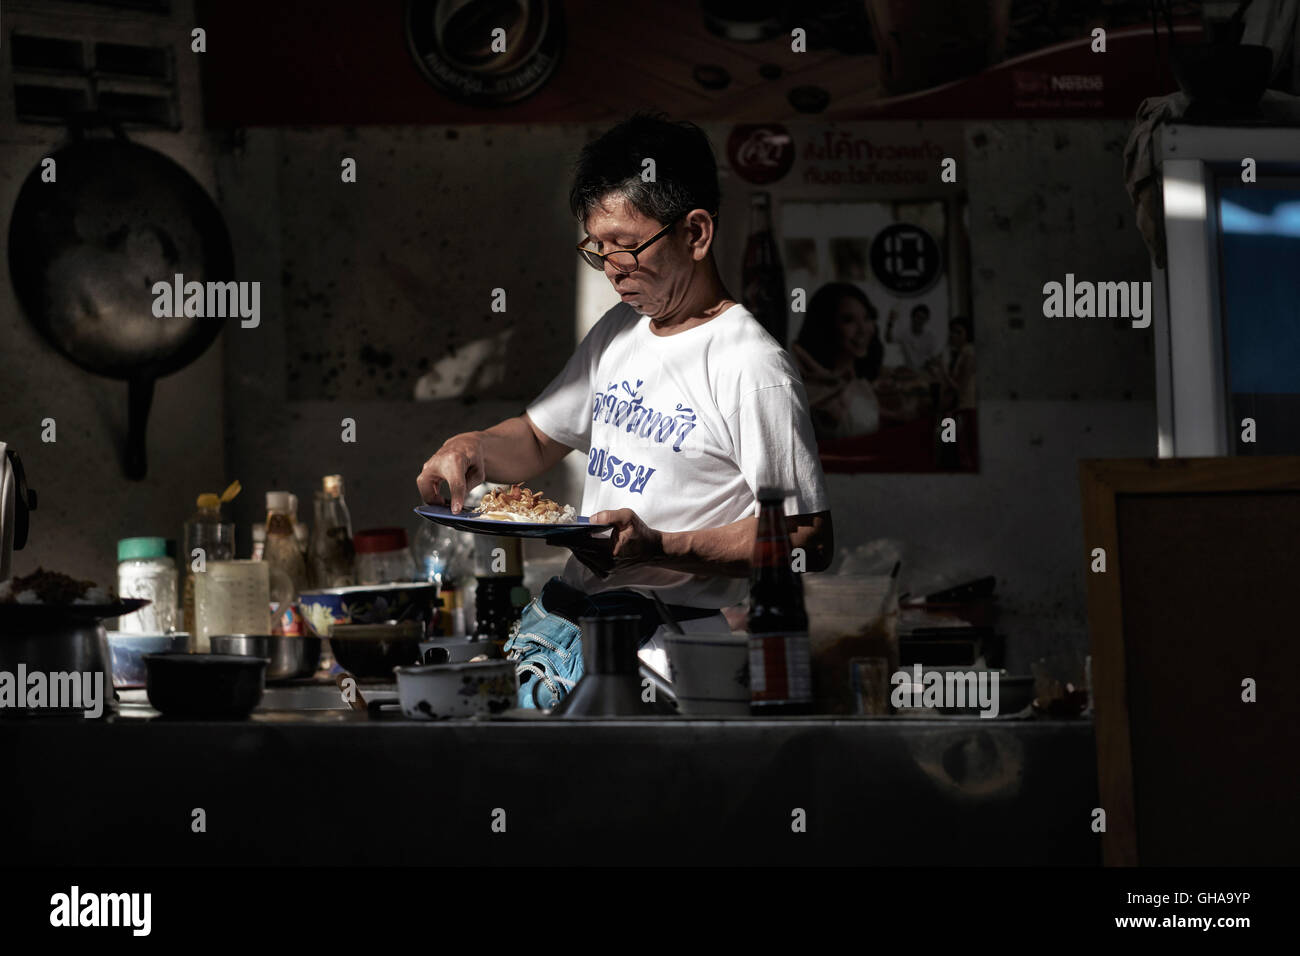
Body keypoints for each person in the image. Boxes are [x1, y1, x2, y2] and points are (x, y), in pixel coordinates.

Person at [416, 114, 833, 709]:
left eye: (628, 246)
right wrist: (471, 447)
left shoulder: (751, 366)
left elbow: (808, 539)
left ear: (695, 233)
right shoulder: (619, 331)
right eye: (596, 249)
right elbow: (537, 439)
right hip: (575, 623)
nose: (613, 269)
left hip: (668, 649)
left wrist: (660, 546)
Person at [791, 283, 885, 439]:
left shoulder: (858, 380)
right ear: (826, 326)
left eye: (867, 318)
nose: (863, 330)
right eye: (849, 320)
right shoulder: (820, 394)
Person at [932, 315, 976, 411]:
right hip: (956, 406)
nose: (953, 335)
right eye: (952, 331)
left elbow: (960, 389)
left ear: (967, 334)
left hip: (966, 406)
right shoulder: (959, 352)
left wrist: (942, 369)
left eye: (959, 332)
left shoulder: (969, 354)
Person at [885, 302, 945, 370]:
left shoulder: (930, 336)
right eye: (917, 317)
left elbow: (936, 356)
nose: (919, 321)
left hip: (925, 372)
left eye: (922, 318)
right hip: (908, 372)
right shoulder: (904, 333)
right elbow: (888, 339)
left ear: (926, 320)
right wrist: (890, 322)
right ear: (912, 317)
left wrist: (931, 362)